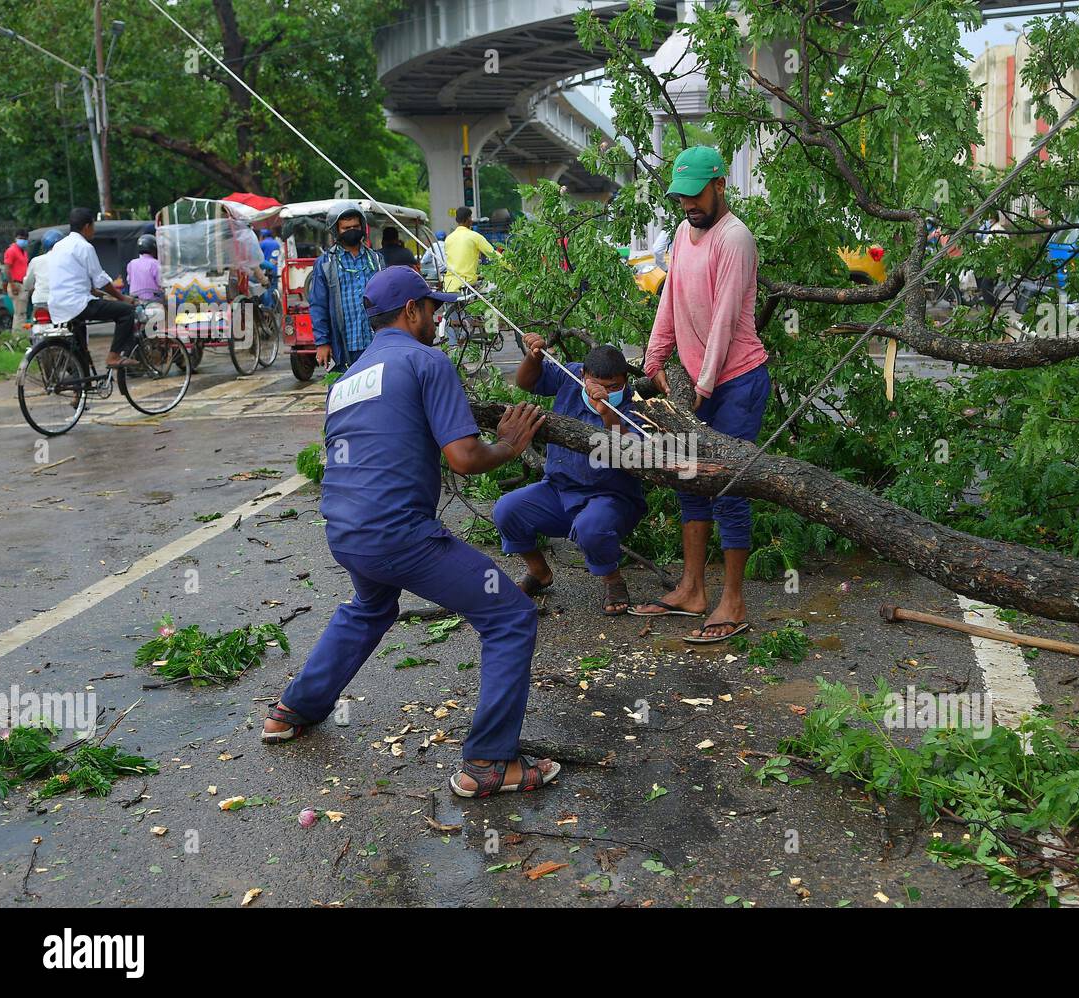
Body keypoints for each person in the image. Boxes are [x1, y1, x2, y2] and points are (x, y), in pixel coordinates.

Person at [261, 266, 560, 797]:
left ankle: (292, 710)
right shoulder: (426, 361)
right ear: (410, 312)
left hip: (346, 530)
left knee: (372, 607)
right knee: (510, 613)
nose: (438, 315)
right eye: (432, 306)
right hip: (398, 534)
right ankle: (491, 762)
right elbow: (464, 458)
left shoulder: (347, 380)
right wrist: (510, 447)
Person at [631, 146, 770, 645]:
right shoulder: (685, 235)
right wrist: (654, 359)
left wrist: (701, 390)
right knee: (690, 481)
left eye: (695, 194)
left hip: (736, 381)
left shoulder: (735, 239)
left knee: (727, 487)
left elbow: (726, 322)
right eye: (680, 197)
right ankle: (692, 590)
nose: (688, 204)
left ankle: (733, 601)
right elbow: (669, 297)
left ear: (719, 187)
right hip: (701, 383)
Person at [494, 336, 647, 615]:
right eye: (597, 385)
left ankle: (612, 580)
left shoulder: (635, 404)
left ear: (626, 379)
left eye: (615, 386)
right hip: (557, 489)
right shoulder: (570, 377)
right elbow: (526, 383)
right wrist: (535, 356)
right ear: (583, 375)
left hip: (610, 498)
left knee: (592, 528)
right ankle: (539, 573)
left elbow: (633, 452)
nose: (606, 392)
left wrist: (608, 416)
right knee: (506, 509)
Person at [46, 207, 139, 368]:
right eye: (93, 227)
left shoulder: (59, 246)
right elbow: (100, 279)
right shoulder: (84, 247)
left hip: (57, 305)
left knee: (80, 348)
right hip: (78, 304)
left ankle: (81, 388)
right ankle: (114, 356)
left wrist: (97, 292)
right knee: (126, 312)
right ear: (87, 226)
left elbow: (74, 278)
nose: (93, 231)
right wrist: (122, 298)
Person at [309, 201, 383, 370]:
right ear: (336, 231)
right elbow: (318, 305)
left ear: (362, 227)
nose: (352, 231)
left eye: (355, 226)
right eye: (346, 228)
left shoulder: (376, 260)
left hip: (375, 343)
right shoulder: (325, 264)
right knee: (340, 394)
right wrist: (322, 342)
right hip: (342, 347)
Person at [442, 206, 498, 294]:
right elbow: (494, 255)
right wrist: (512, 267)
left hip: (448, 285)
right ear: (468, 219)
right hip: (466, 286)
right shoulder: (474, 236)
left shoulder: (449, 238)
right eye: (471, 217)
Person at [20, 229, 64, 318]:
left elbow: (28, 282)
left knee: (37, 324)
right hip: (62, 300)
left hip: (40, 300)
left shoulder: (36, 261)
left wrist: (28, 288)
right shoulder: (67, 259)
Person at [3, 228, 29, 333]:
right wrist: (12, 284)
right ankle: (17, 336)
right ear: (16, 238)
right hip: (16, 284)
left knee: (22, 313)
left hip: (23, 284)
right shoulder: (12, 250)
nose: (22, 240)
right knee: (19, 313)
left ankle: (21, 335)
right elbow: (7, 268)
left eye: (24, 239)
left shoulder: (24, 252)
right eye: (20, 238)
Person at [126, 233, 161, 302]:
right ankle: (172, 313)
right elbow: (161, 282)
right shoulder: (156, 263)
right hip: (154, 299)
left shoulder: (132, 263)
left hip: (135, 300)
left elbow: (129, 281)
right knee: (172, 302)